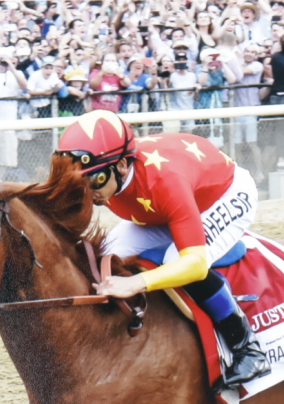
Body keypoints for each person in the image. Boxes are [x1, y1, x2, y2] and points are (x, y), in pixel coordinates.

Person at [55, 110, 270, 389]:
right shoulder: (103, 172)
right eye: (79, 182)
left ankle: (247, 348)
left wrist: (136, 282)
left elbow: (194, 264)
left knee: (176, 260)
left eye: (94, 181)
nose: (87, 192)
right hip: (163, 208)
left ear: (121, 166)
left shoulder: (164, 181)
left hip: (222, 195)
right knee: (106, 255)